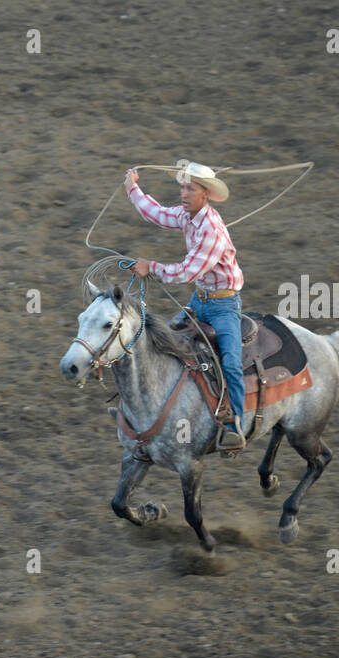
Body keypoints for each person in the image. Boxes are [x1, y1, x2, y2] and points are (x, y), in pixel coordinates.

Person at [124, 162, 247, 450]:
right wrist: (132, 187)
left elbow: (186, 273)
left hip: (224, 305)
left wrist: (150, 266)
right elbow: (156, 213)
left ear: (205, 195)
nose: (183, 193)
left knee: (231, 362)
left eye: (191, 188)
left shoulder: (211, 230)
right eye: (182, 187)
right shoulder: (187, 216)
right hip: (199, 300)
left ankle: (235, 425)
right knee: (162, 342)